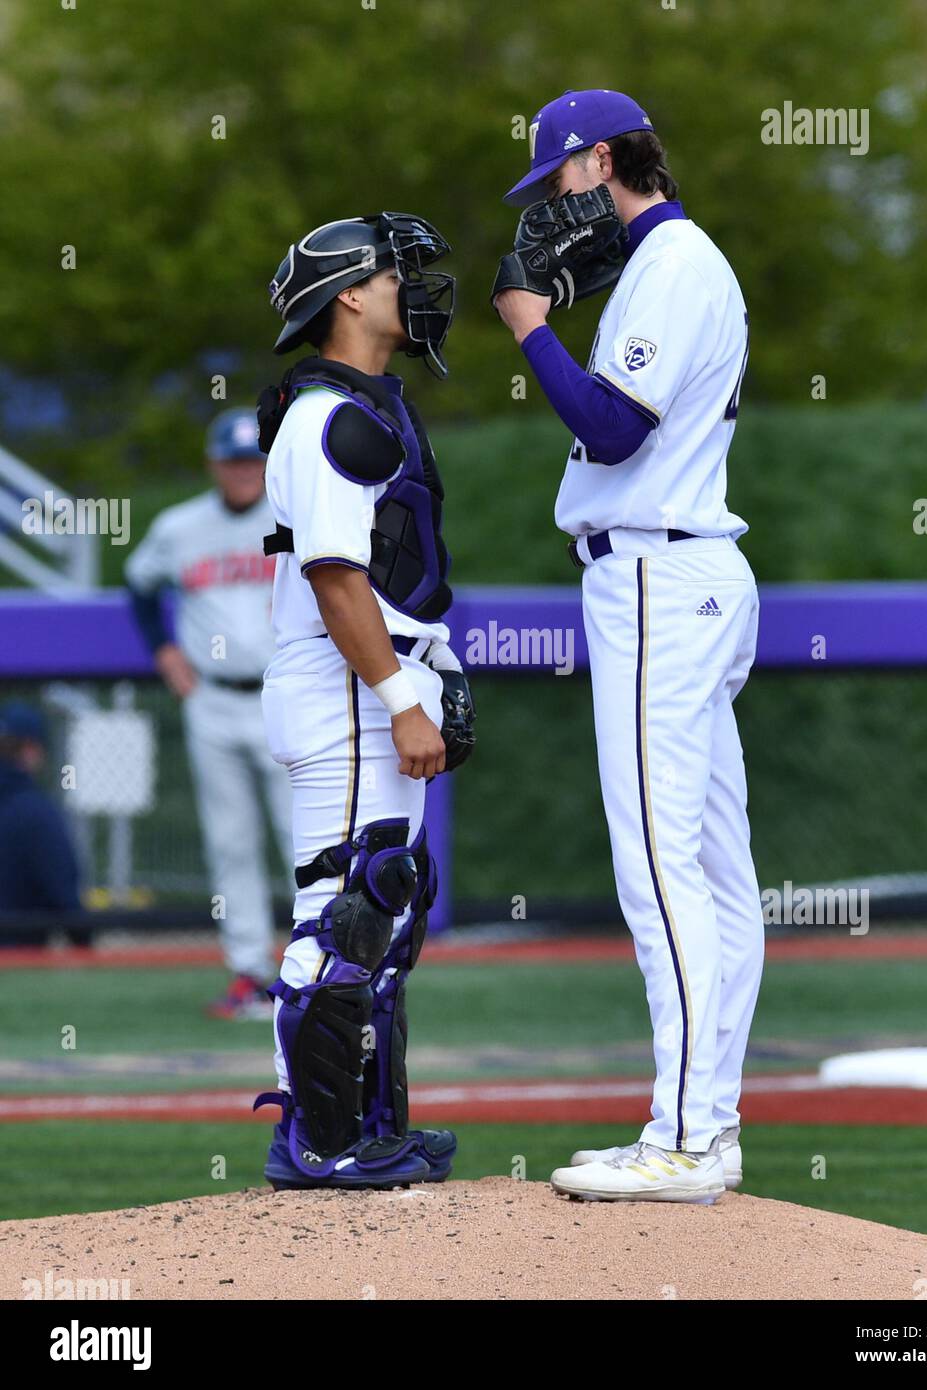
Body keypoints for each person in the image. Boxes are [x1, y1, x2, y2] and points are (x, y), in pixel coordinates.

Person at [493, 89, 762, 1203]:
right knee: (710, 874)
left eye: (559, 178)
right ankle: (697, 1124)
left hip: (657, 574)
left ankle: (690, 1137)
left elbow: (611, 426)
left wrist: (528, 327)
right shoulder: (673, 263)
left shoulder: (672, 263)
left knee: (659, 870)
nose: (554, 205)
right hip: (679, 570)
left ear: (602, 160)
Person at [252, 213, 475, 1190]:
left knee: (389, 908)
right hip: (341, 687)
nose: (412, 287)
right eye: (395, 272)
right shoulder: (325, 417)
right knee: (348, 903)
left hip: (372, 678)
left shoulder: (370, 405)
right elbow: (335, 576)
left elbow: (391, 575)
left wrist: (436, 673)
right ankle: (318, 1138)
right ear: (348, 292)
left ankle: (367, 1124)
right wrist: (398, 695)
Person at [125, 409, 294, 1018]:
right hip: (213, 700)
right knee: (231, 842)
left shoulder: (293, 513)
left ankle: (316, 973)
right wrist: (165, 652)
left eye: (252, 460)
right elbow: (139, 585)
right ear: (212, 465)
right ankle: (250, 972)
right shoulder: (179, 527)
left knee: (302, 838)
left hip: (283, 696)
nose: (243, 471)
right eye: (233, 461)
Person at [0, 702, 88, 947]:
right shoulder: (35, 813)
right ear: (31, 749)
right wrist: (85, 945)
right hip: (16, 962)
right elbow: (63, 895)